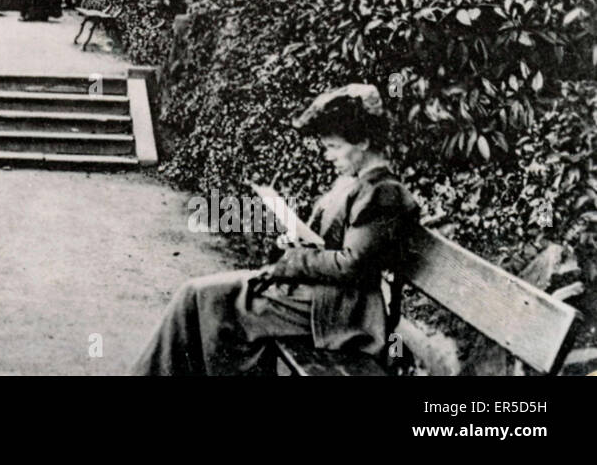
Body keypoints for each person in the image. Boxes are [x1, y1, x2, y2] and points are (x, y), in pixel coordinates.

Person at [131, 84, 419, 376]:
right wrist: (297, 240)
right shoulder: (358, 184)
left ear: (364, 142)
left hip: (342, 311)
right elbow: (333, 249)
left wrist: (292, 259)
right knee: (195, 295)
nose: (328, 156)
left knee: (215, 303)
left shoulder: (384, 192)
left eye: (334, 147)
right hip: (321, 297)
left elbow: (352, 264)